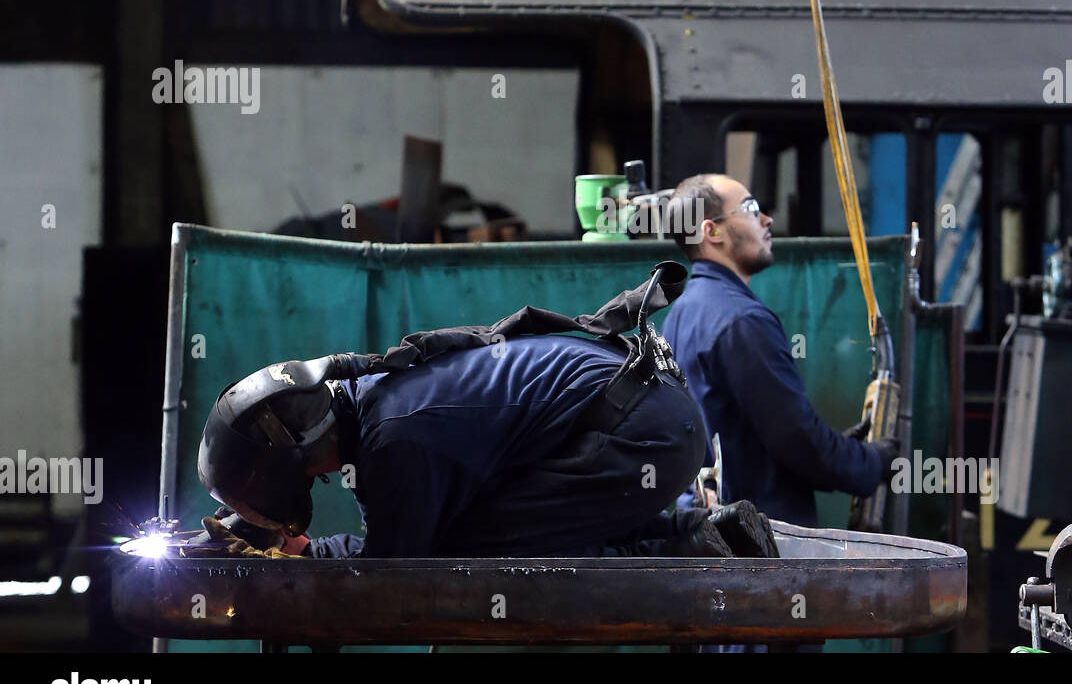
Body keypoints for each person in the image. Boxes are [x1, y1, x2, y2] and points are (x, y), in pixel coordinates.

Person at [195, 265, 780, 560]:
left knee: (472, 546)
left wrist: (301, 551)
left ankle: (689, 549)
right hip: (649, 413)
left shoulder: (393, 439)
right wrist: (265, 527)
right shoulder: (374, 394)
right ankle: (709, 531)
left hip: (641, 433)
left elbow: (394, 567)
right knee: (505, 513)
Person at [662, 174, 899, 527]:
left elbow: (745, 432)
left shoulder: (681, 314)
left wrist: (840, 448)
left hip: (709, 532)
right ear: (712, 232)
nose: (766, 219)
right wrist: (872, 462)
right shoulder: (741, 321)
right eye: (750, 208)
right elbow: (797, 440)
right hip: (756, 547)